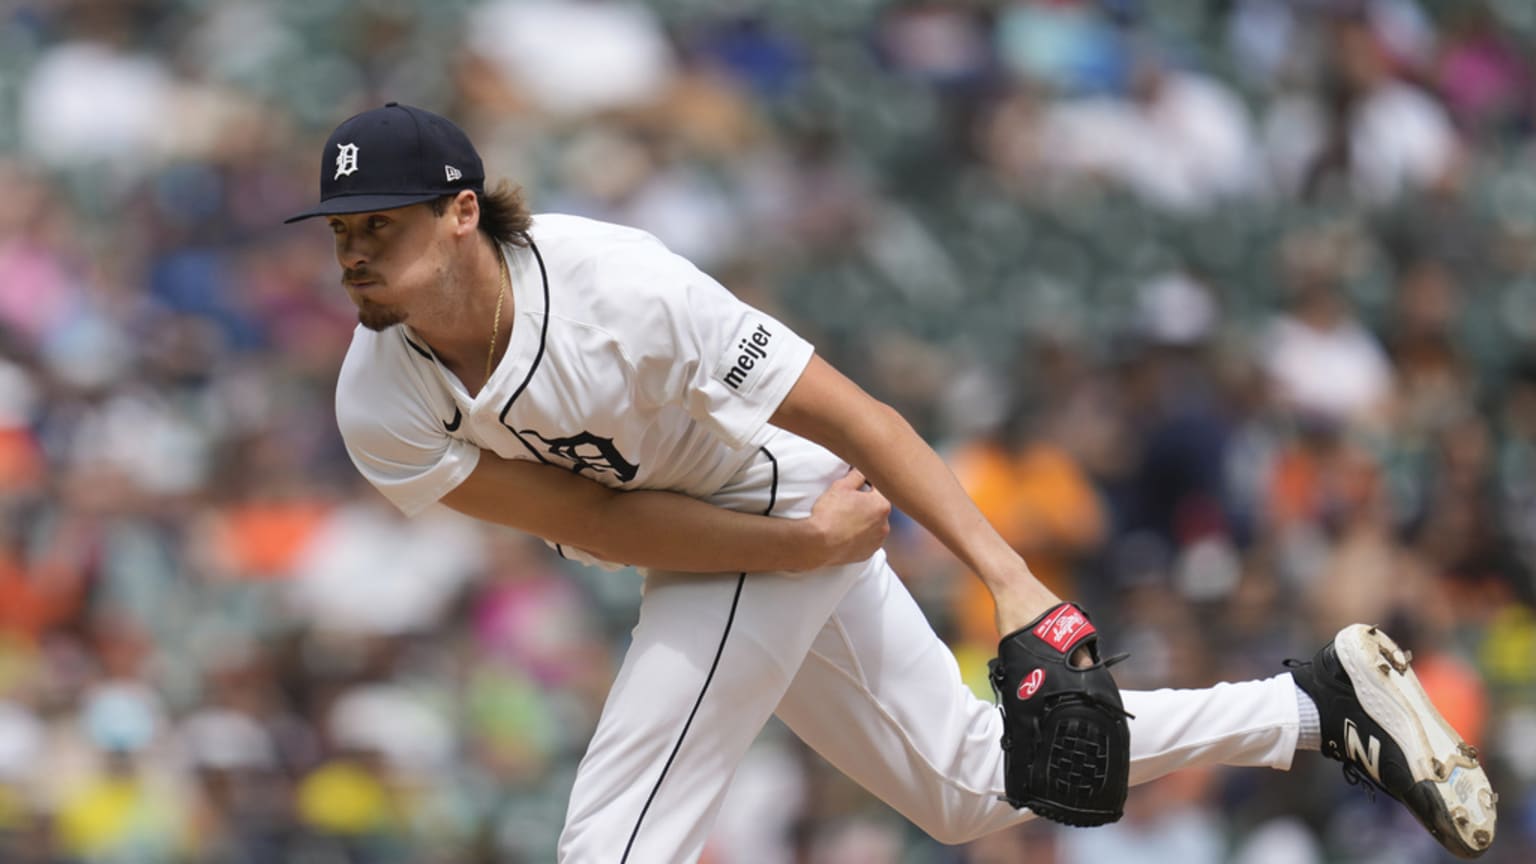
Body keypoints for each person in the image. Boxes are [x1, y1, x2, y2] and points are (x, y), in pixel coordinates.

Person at [286, 103, 1496, 861]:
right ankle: (1312, 706)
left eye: (375, 227)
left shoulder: (624, 288)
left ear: (459, 216)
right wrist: (807, 553)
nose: (352, 253)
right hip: (742, 537)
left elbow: (857, 411)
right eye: (339, 233)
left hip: (779, 492)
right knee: (969, 788)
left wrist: (1008, 576)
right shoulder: (376, 398)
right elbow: (592, 519)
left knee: (611, 841)